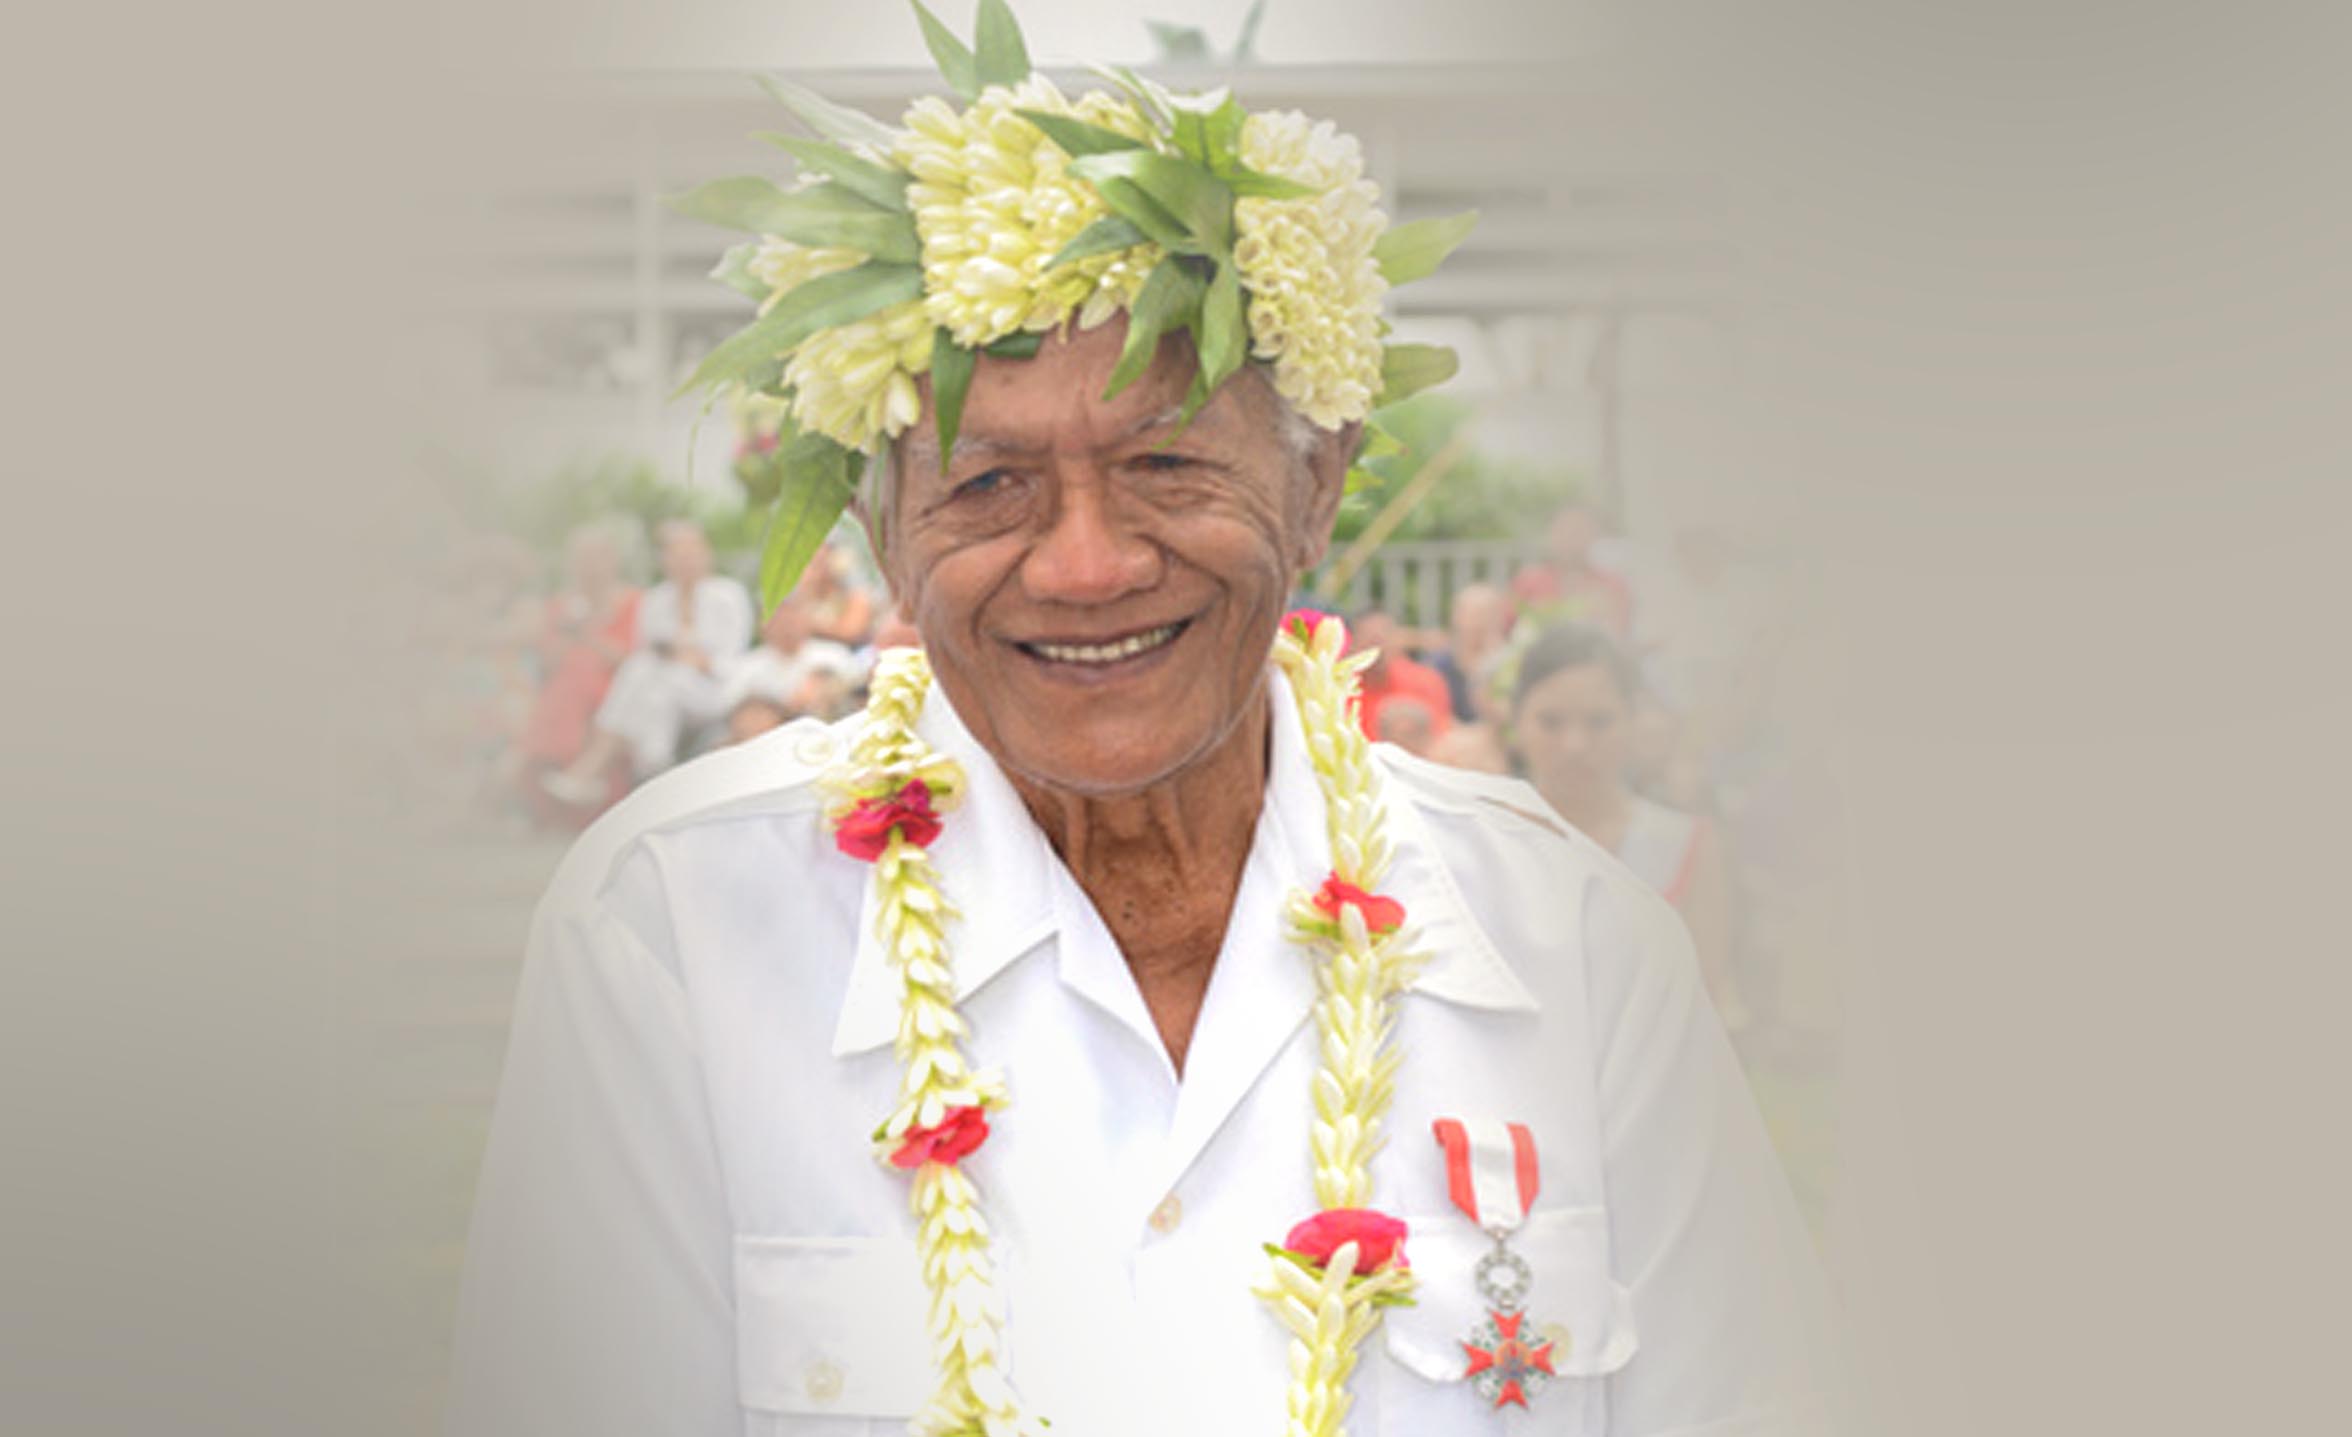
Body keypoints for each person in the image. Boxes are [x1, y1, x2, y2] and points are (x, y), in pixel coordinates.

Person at [451, 15, 1837, 1436]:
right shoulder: (673, 931)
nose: (1085, 563)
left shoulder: (1576, 950)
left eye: (1167, 461)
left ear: (1318, 484)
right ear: (878, 522)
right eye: (988, 485)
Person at [1510, 623, 1754, 1031]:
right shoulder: (1486, 842)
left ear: (1632, 719)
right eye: (1550, 722)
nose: (1575, 745)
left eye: (1599, 722)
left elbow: (1702, 998)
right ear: (1517, 721)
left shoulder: (1684, 845)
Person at [540, 519, 753, 804]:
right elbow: (648, 650)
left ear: (706, 555)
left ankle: (601, 771)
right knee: (645, 674)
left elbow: (731, 659)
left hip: (713, 689)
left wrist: (692, 660)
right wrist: (677, 656)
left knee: (654, 677)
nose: (685, 562)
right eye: (677, 555)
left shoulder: (728, 595)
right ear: (665, 560)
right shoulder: (656, 599)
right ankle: (653, 766)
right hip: (664, 687)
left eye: (691, 553)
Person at [506, 521, 642, 813]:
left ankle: (523, 764)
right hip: (563, 692)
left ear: (612, 560)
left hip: (616, 692)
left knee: (577, 680)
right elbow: (547, 661)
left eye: (596, 557)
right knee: (570, 681)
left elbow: (633, 661)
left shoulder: (635, 603)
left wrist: (588, 635)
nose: (589, 567)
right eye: (582, 558)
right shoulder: (561, 606)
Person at [1348, 608, 1455, 746]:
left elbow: (1440, 736)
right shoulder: (1340, 689)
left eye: (1385, 636)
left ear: (1399, 640)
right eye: (1370, 640)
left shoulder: (1426, 681)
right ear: (1352, 645)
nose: (1378, 649)